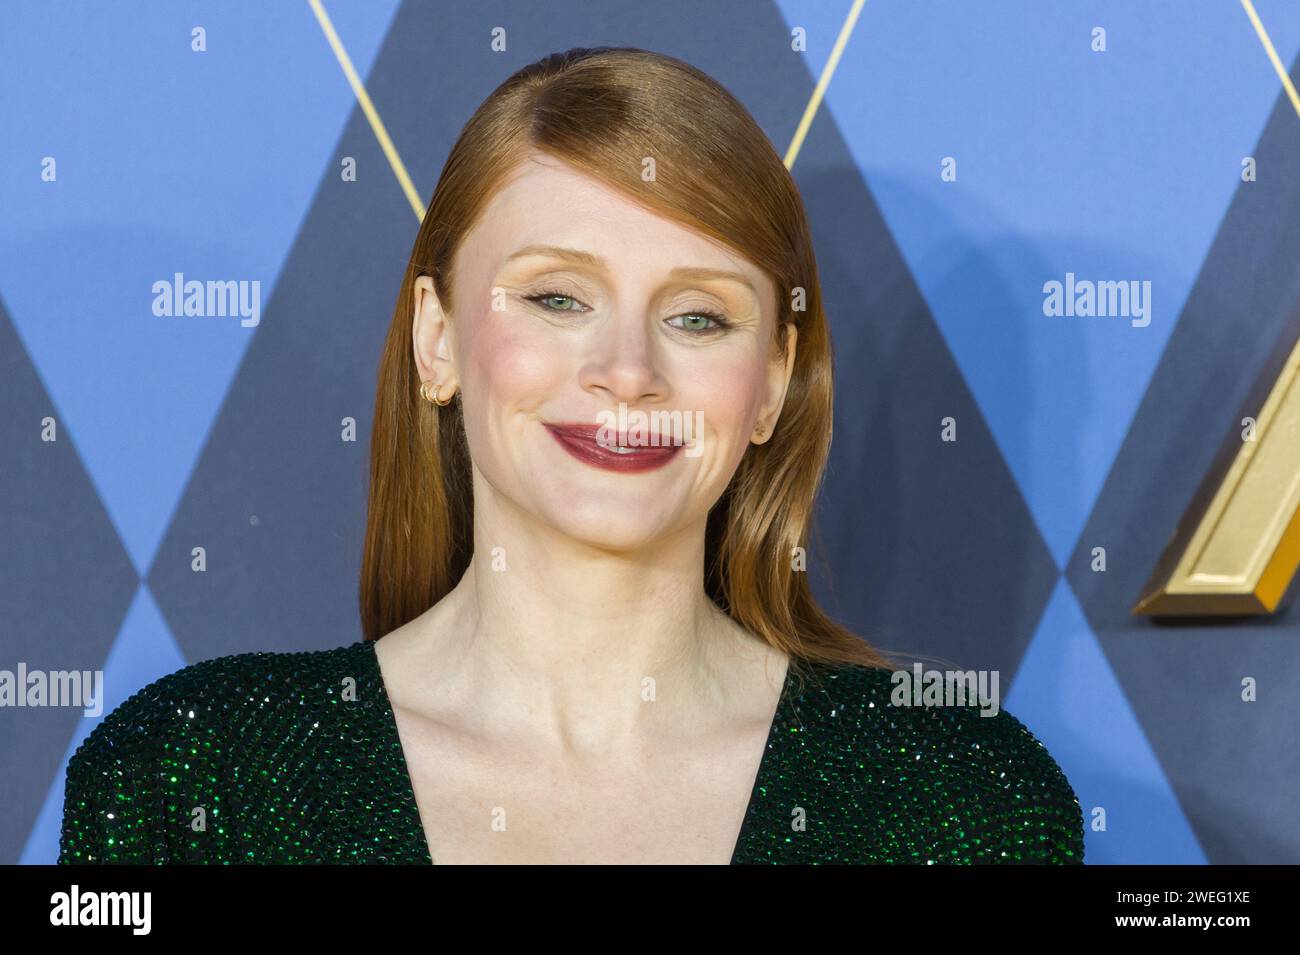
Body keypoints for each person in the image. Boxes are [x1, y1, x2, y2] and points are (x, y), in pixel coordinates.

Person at [58, 46, 1083, 865]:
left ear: (770, 384)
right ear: (437, 338)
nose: (626, 370)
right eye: (557, 297)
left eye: (696, 316)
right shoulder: (191, 778)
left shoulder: (970, 800)